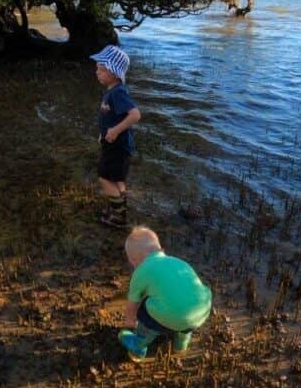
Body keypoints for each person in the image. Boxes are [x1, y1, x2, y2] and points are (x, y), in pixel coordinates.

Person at [119, 226, 212, 361]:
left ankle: (139, 345)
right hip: (200, 312)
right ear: (160, 249)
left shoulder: (141, 270)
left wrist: (130, 323)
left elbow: (132, 304)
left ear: (135, 261)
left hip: (175, 315)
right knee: (183, 304)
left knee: (144, 307)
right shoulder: (178, 262)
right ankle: (181, 344)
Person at [90, 45, 141, 228]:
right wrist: (103, 134)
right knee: (117, 179)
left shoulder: (118, 92)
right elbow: (111, 117)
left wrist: (115, 131)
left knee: (104, 178)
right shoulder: (112, 90)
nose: (97, 72)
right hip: (117, 145)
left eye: (102, 69)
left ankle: (119, 217)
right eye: (97, 68)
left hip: (117, 147)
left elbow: (135, 115)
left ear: (115, 73)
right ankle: (118, 209)